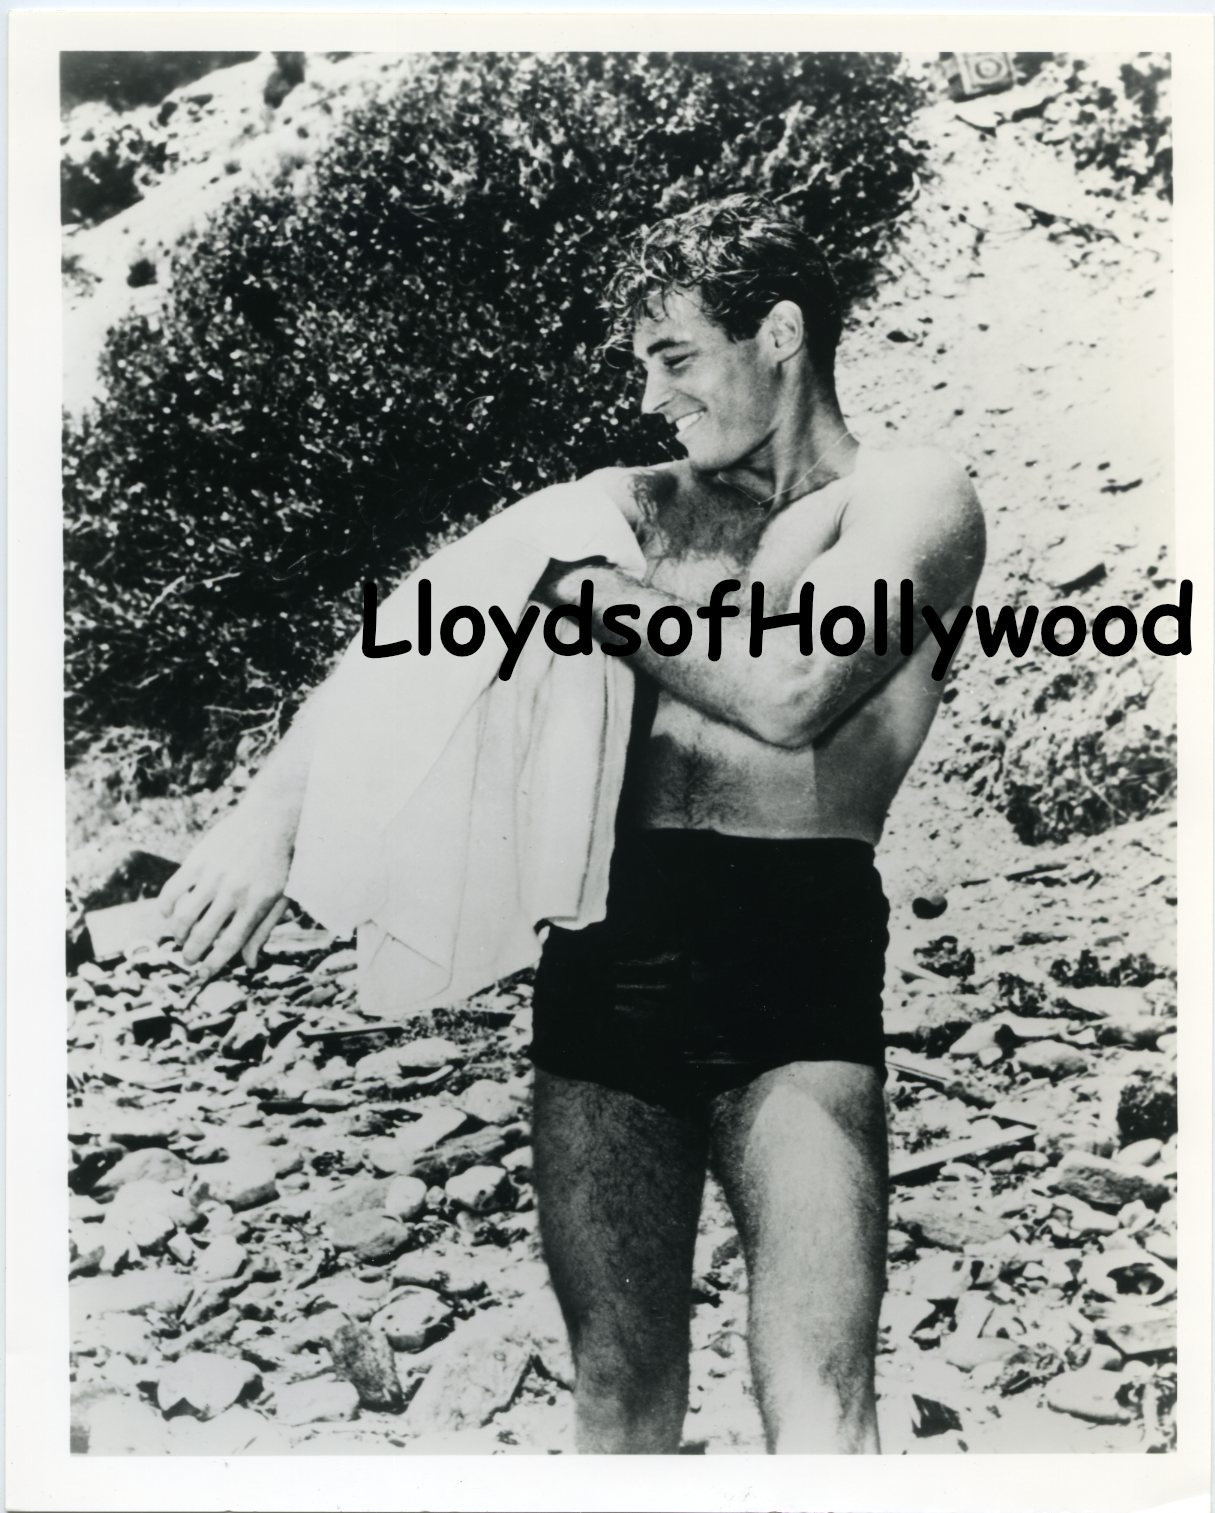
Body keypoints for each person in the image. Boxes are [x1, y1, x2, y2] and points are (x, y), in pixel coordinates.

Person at [159, 193, 985, 1455]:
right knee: (616, 1393)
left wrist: (592, 592)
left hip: (797, 952)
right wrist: (271, 814)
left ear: (778, 333)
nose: (656, 396)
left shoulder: (914, 498)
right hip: (614, 942)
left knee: (822, 1407)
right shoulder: (636, 504)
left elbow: (793, 690)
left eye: (676, 358)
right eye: (642, 367)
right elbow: (418, 624)